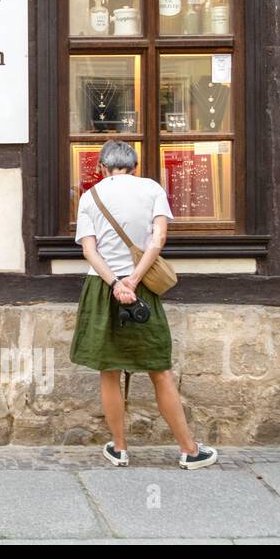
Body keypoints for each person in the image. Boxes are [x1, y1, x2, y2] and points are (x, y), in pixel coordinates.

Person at [71, 140, 218, 470]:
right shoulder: (151, 188)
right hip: (142, 287)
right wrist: (133, 280)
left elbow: (89, 251)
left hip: (102, 287)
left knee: (109, 370)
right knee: (158, 369)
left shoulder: (90, 197)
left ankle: (120, 449)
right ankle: (189, 449)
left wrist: (114, 283)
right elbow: (159, 239)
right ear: (134, 165)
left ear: (101, 166)